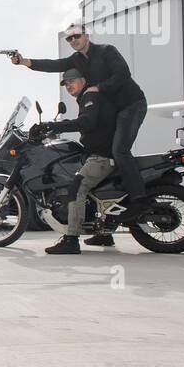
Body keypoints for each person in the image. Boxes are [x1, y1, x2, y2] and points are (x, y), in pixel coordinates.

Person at [10, 23, 150, 222]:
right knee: (102, 150)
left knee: (119, 150)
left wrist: (99, 88)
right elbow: (54, 65)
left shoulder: (106, 51)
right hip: (113, 109)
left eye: (76, 36)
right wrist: (24, 61)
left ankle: (139, 200)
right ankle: (108, 216)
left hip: (131, 104)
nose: (73, 41)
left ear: (86, 35)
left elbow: (123, 75)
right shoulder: (77, 60)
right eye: (69, 38)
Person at [31, 69, 120, 255]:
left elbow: (86, 122)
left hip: (101, 156)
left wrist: (53, 125)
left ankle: (71, 240)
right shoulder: (88, 97)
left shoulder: (91, 96)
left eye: (72, 81)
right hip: (101, 154)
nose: (69, 86)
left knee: (77, 187)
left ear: (83, 80)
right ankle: (104, 233)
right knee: (93, 191)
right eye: (66, 83)